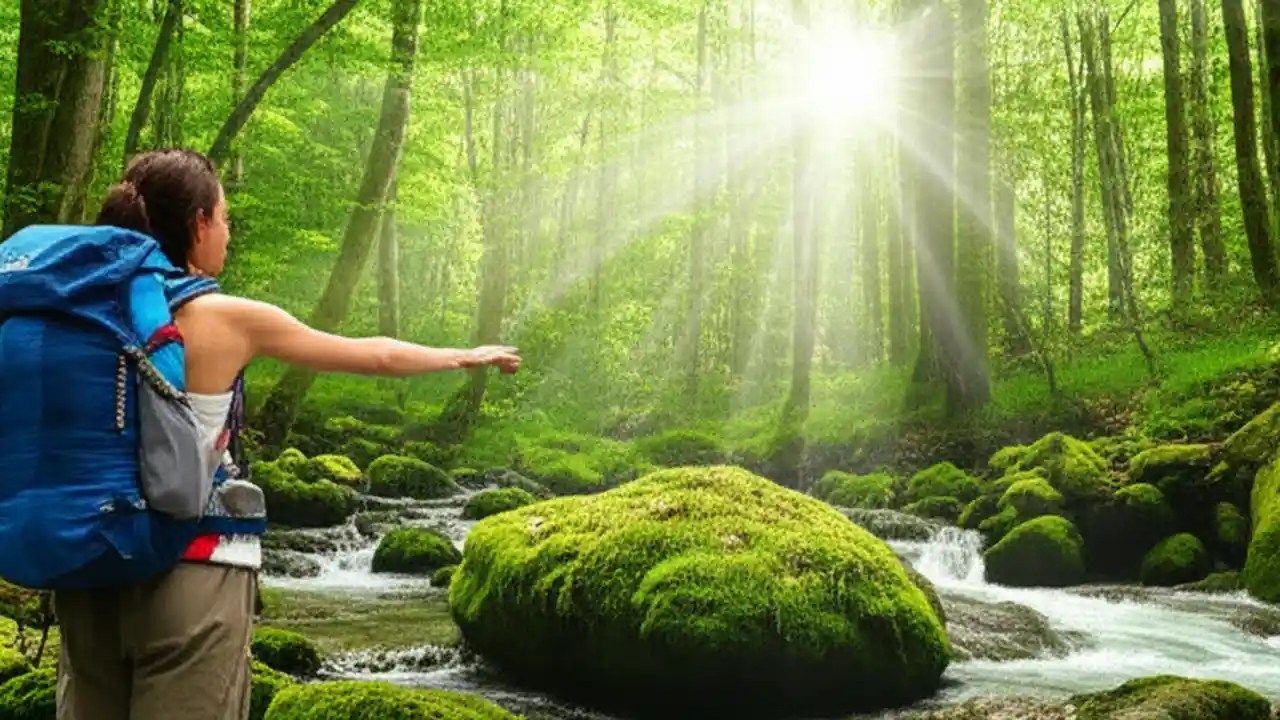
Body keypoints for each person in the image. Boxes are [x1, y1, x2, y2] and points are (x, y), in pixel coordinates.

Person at [52, 148, 520, 720]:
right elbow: (374, 356)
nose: (227, 231)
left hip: (84, 571)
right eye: (223, 217)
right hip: (190, 573)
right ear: (198, 224)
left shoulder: (70, 312)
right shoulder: (225, 318)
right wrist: (464, 355)